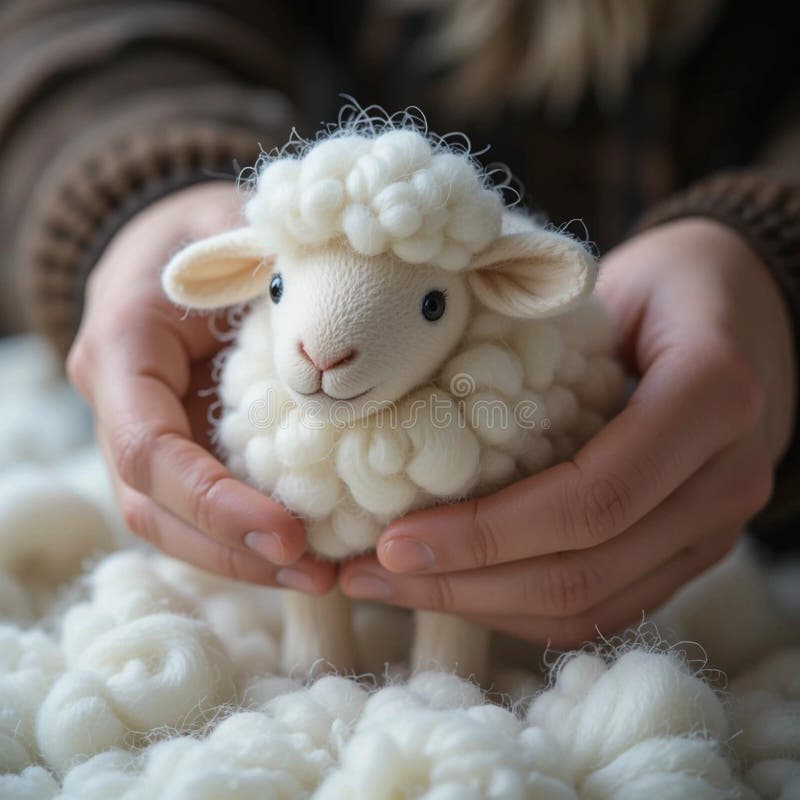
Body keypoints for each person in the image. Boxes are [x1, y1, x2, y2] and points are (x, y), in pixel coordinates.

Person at [1, 0, 798, 647]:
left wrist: (778, 267)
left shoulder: (503, 413)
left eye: (429, 303)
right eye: (274, 284)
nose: (319, 353)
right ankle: (316, 643)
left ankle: (449, 652)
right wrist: (135, 177)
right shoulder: (261, 387)